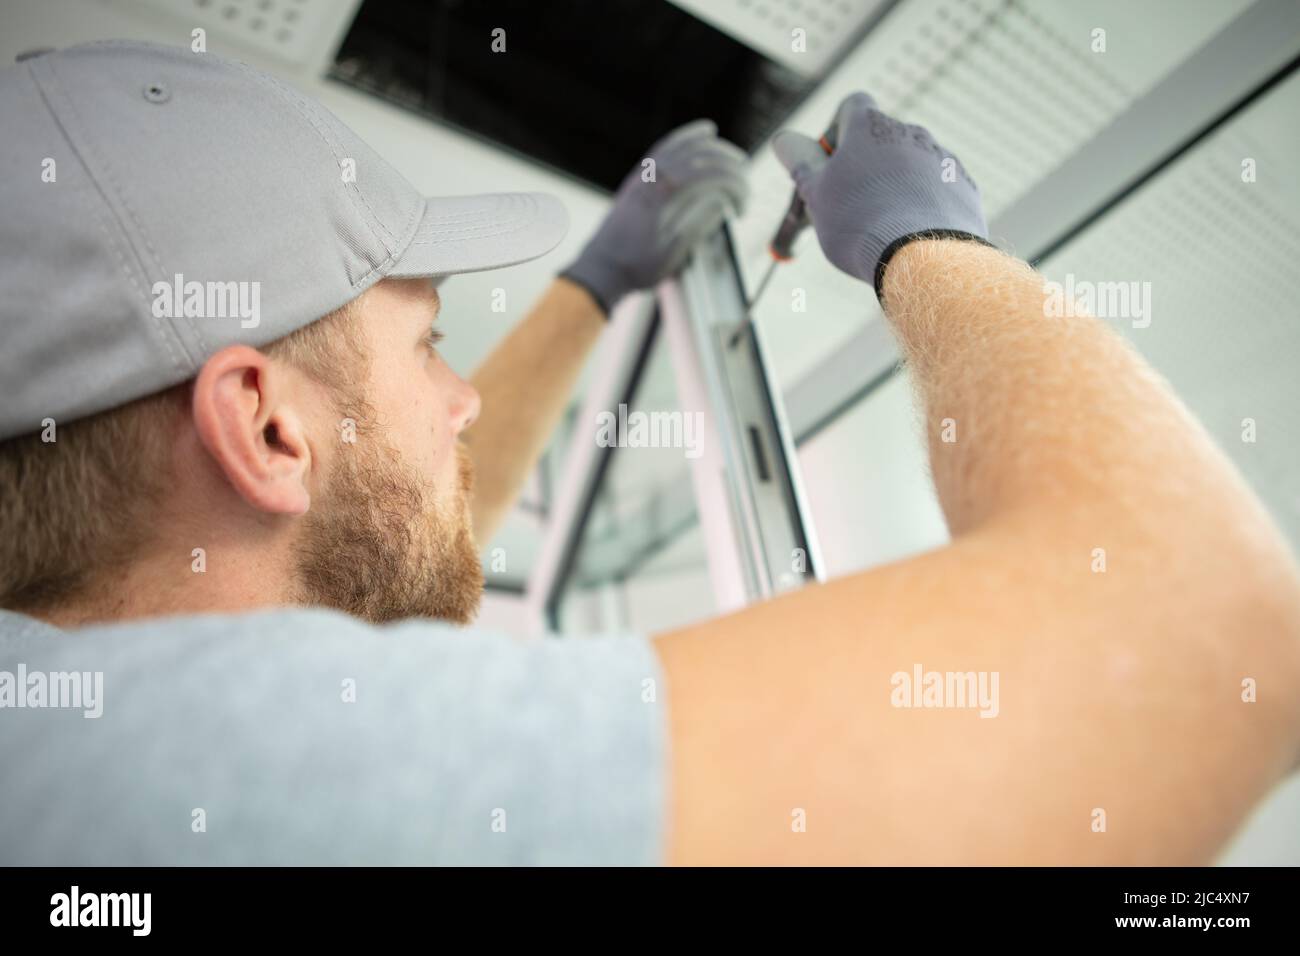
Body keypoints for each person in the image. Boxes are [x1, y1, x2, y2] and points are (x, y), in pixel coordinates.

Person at [1, 40, 1296, 866]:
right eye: (431, 343)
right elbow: (1213, 625)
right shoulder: (181, 773)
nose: (461, 400)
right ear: (268, 428)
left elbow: (384, 533)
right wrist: (933, 246)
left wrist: (599, 278)